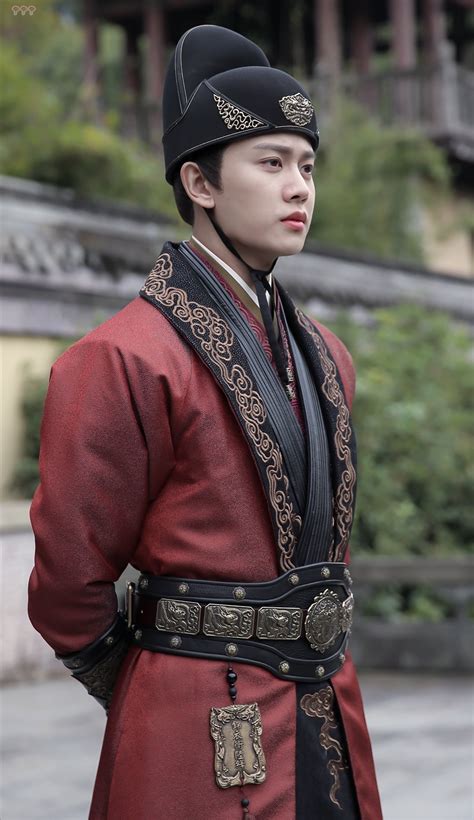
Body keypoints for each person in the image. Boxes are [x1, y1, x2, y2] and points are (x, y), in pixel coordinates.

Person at [28, 25, 382, 820]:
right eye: (271, 163)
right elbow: (66, 588)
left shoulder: (328, 355)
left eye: (307, 166)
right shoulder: (121, 358)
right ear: (200, 182)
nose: (299, 188)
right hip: (196, 724)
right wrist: (153, 683)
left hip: (329, 710)